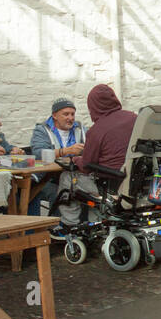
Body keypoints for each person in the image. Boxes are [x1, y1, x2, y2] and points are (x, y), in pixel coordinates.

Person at [55, 84, 136, 227]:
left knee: (67, 178)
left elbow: (87, 165)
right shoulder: (134, 118)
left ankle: (69, 225)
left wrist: (75, 159)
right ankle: (96, 220)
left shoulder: (96, 130)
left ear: (93, 106)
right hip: (135, 179)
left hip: (110, 181)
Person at [29, 97, 84, 215]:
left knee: (89, 192)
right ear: (54, 115)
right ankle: (59, 228)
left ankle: (83, 227)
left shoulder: (80, 128)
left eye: (73, 114)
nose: (71, 118)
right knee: (60, 193)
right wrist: (65, 151)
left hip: (75, 175)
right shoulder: (42, 130)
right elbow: (39, 153)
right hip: (49, 178)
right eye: (66, 114)